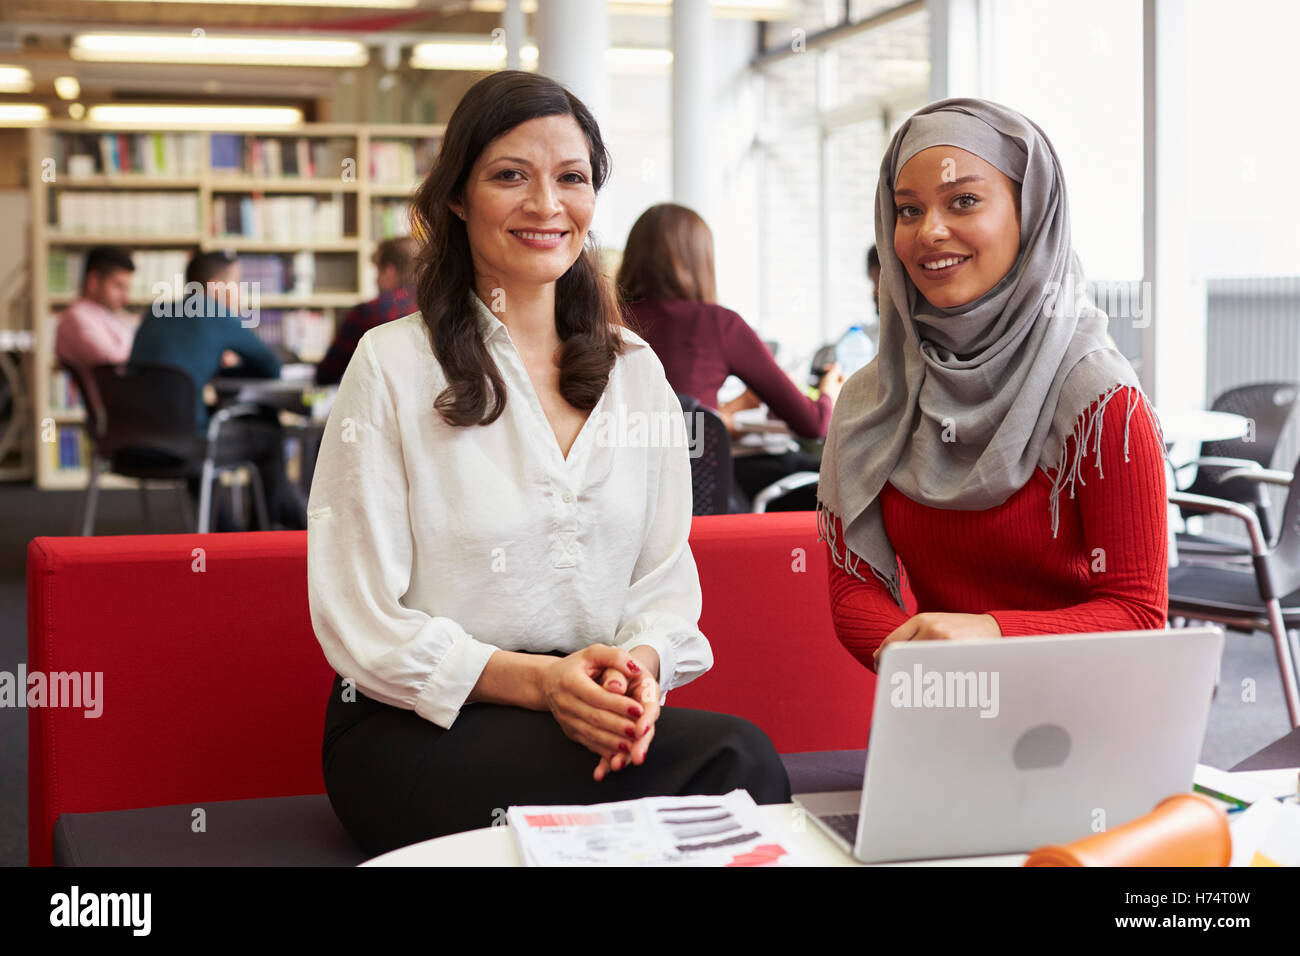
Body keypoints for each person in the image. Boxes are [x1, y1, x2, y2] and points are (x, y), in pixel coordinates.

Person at [308, 71, 790, 856]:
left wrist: (635, 673)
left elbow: (665, 584)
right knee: (734, 762)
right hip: (419, 726)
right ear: (457, 199)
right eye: (509, 176)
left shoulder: (635, 370)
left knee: (735, 768)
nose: (545, 205)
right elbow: (361, 618)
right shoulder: (392, 366)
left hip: (584, 704)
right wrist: (541, 685)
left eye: (571, 178)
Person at [818, 98, 1168, 671]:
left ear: (1030, 217)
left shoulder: (1101, 400)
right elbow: (853, 590)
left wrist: (991, 636)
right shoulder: (874, 396)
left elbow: (1137, 613)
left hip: (1085, 718)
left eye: (964, 201)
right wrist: (928, 668)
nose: (929, 231)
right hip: (939, 712)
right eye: (908, 211)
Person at [618, 203, 844, 510]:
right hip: (696, 510)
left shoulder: (604, 321)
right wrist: (830, 390)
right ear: (701, 260)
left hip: (621, 506)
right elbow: (814, 424)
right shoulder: (719, 325)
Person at [129, 251, 307, 532]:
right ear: (215, 287)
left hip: (134, 437)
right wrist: (230, 367)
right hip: (188, 440)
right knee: (268, 430)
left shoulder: (155, 313)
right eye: (236, 284)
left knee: (196, 421)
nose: (239, 293)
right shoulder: (215, 313)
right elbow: (270, 367)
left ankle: (230, 531)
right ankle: (267, 530)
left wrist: (213, 364)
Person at [314, 236, 417, 386]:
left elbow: (327, 374)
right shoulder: (436, 310)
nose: (376, 280)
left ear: (389, 271)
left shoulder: (368, 312)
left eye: (377, 271)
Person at [54, 245, 137, 413]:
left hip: (131, 405)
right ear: (93, 282)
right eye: (118, 286)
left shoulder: (112, 316)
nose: (125, 298)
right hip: (116, 413)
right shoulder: (77, 318)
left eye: (127, 288)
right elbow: (111, 359)